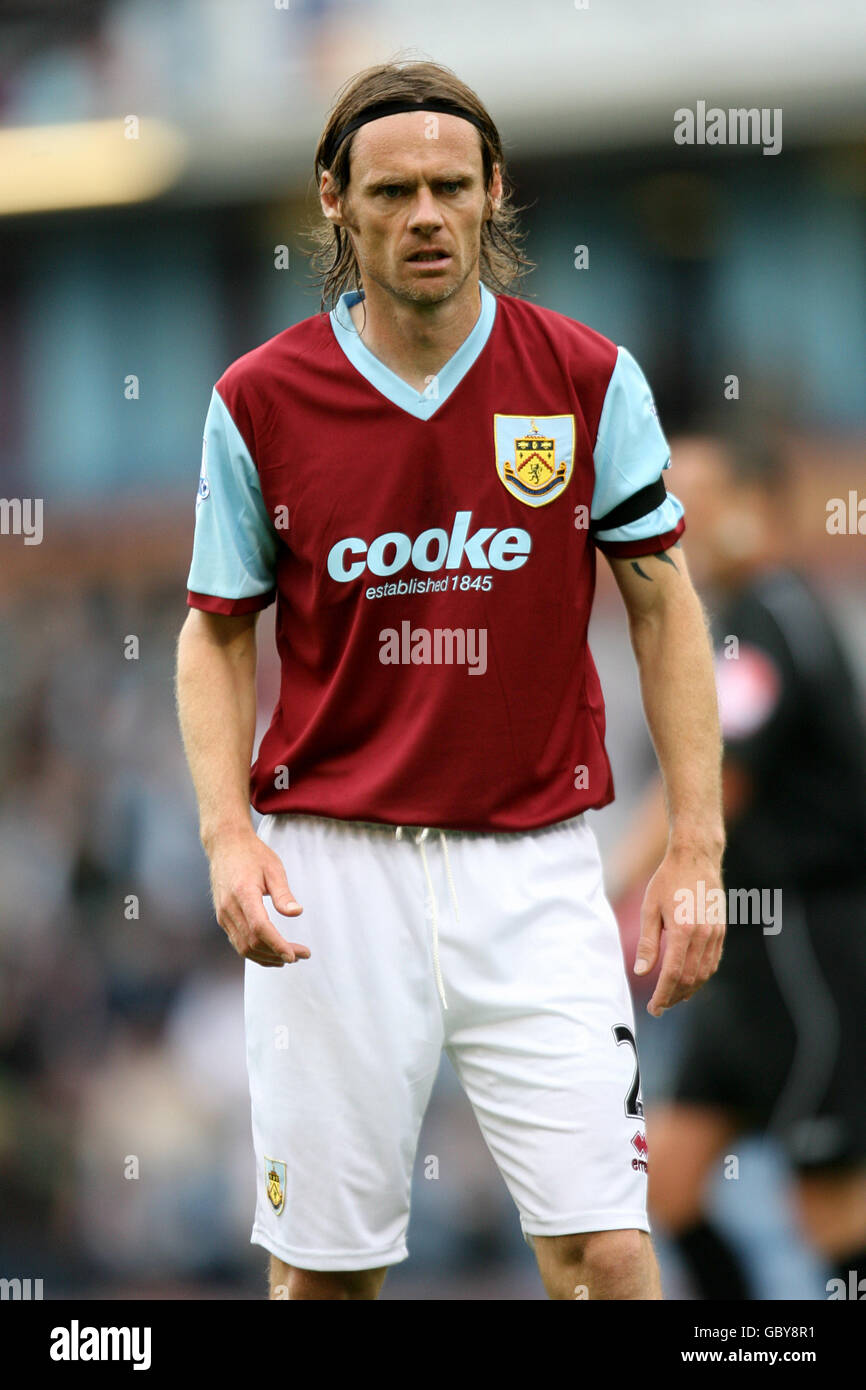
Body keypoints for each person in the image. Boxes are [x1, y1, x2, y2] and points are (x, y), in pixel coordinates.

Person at [175, 59, 725, 1301]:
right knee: (325, 1276)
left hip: (533, 865)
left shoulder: (586, 380)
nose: (424, 214)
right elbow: (212, 634)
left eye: (447, 186)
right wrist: (223, 835)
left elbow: (662, 602)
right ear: (335, 201)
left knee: (606, 1253)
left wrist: (696, 841)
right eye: (392, 191)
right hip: (330, 871)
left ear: (492, 195)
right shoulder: (258, 401)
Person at [608, 430, 866, 1299]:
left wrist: (607, 883)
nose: (675, 516)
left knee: (829, 1203)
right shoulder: (741, 622)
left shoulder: (770, 616)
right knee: (669, 1180)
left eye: (693, 497)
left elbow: (722, 777)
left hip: (810, 945)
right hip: (748, 961)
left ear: (754, 508)